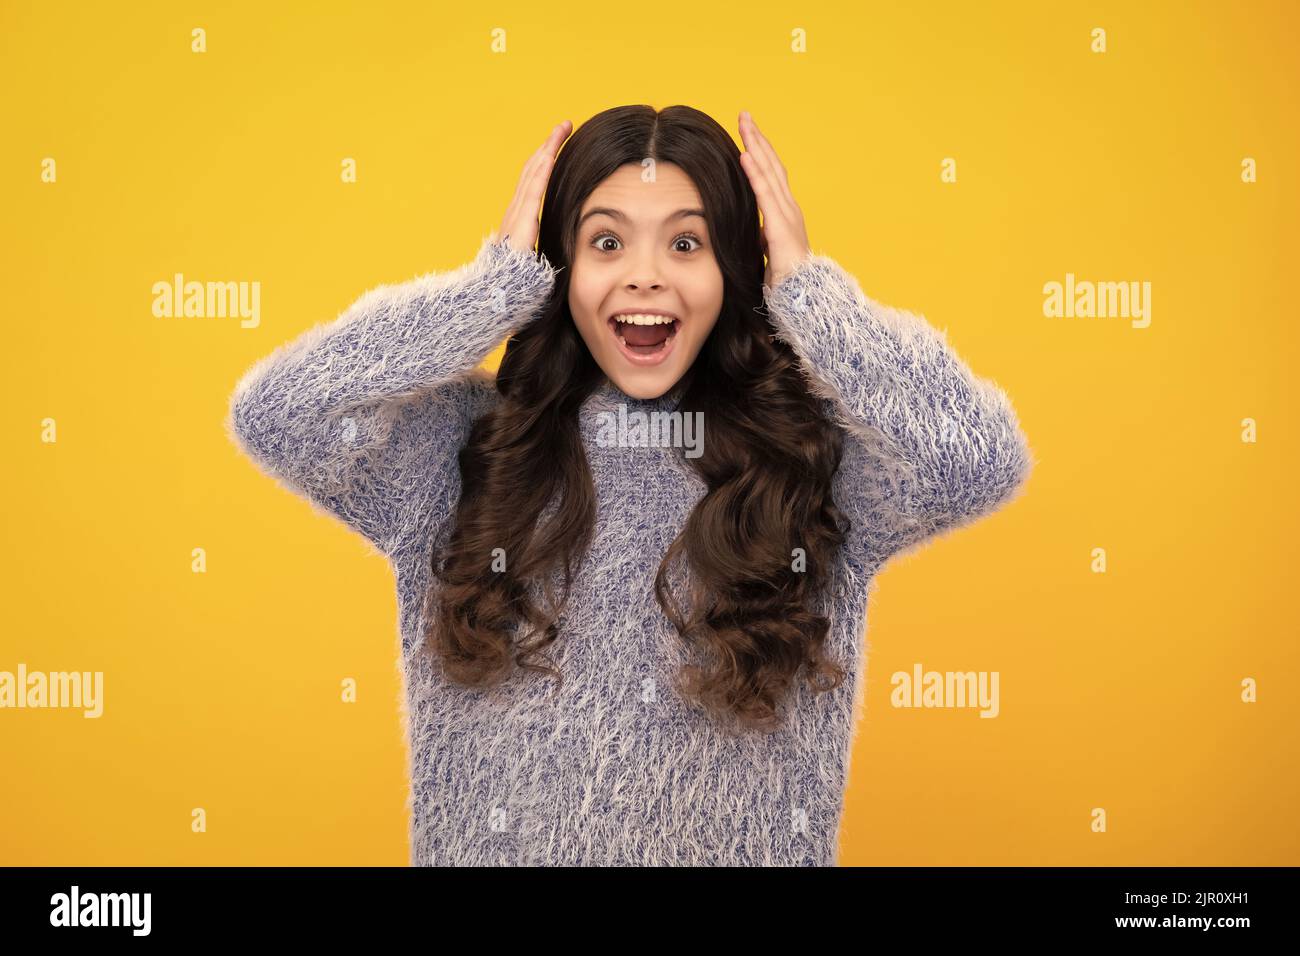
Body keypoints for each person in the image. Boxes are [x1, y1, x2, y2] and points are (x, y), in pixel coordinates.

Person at [224, 105, 1036, 866]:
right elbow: (281, 416)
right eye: (606, 243)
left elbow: (975, 459)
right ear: (560, 268)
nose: (645, 276)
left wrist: (813, 297)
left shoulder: (810, 457)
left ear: (735, 269)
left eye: (687, 245)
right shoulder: (468, 447)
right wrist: (487, 292)